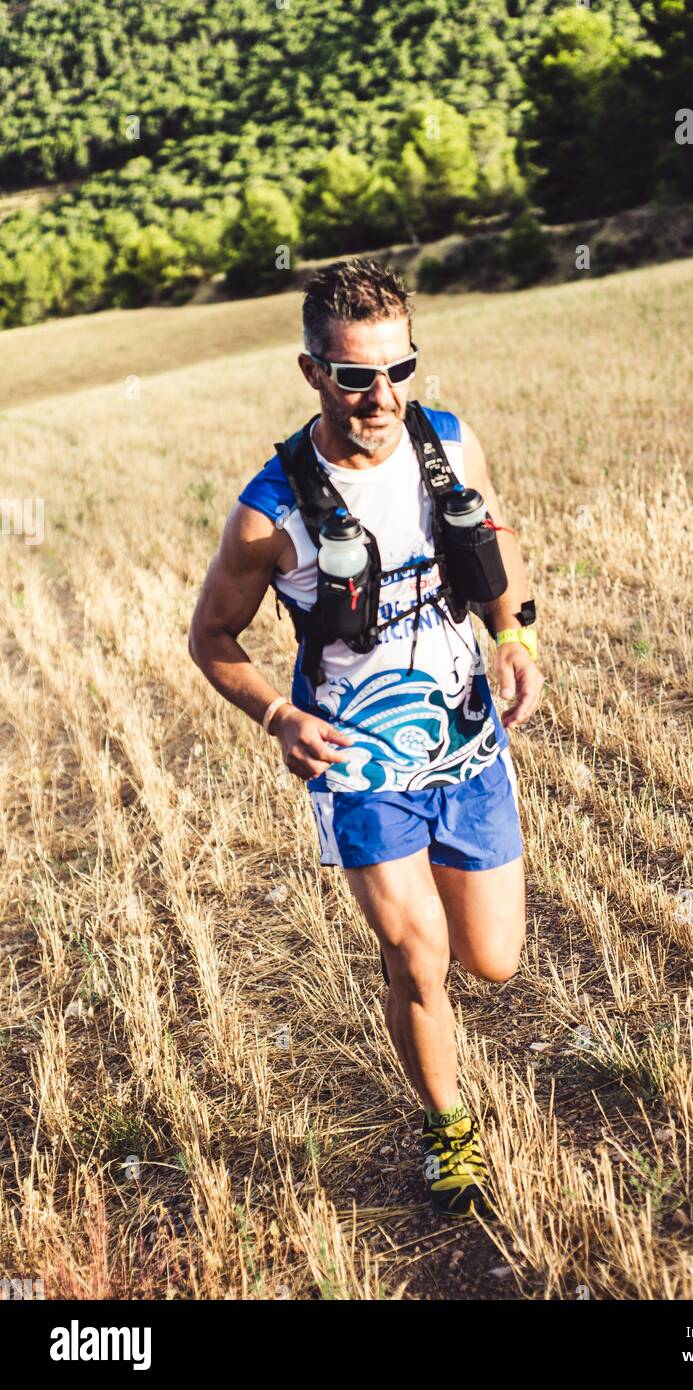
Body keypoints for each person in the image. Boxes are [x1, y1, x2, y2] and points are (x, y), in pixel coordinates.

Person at [188, 257, 544, 1217]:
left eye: (400, 369)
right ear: (312, 372)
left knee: (494, 958)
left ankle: (437, 1014)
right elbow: (209, 636)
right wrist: (278, 714)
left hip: (468, 745)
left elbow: (490, 535)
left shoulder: (447, 442)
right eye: (355, 374)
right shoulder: (270, 514)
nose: (381, 394)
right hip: (360, 764)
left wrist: (510, 633)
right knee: (415, 953)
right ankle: (447, 1128)